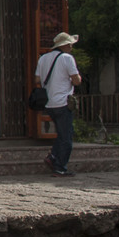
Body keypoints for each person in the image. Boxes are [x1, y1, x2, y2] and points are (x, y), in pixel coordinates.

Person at [35, 31, 82, 177]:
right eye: (70, 45)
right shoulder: (67, 58)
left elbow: (37, 79)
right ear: (65, 45)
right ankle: (60, 166)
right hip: (63, 102)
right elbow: (76, 80)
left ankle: (53, 156)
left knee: (62, 134)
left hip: (49, 103)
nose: (71, 47)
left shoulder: (43, 58)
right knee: (66, 137)